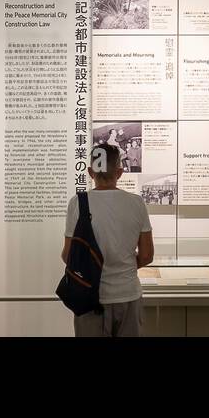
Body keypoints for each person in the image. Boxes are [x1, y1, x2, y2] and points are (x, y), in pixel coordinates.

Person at [61, 142, 153, 337]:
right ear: (119, 172)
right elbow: (146, 255)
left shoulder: (78, 202)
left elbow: (68, 254)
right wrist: (124, 266)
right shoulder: (136, 203)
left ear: (90, 172)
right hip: (128, 294)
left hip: (90, 297)